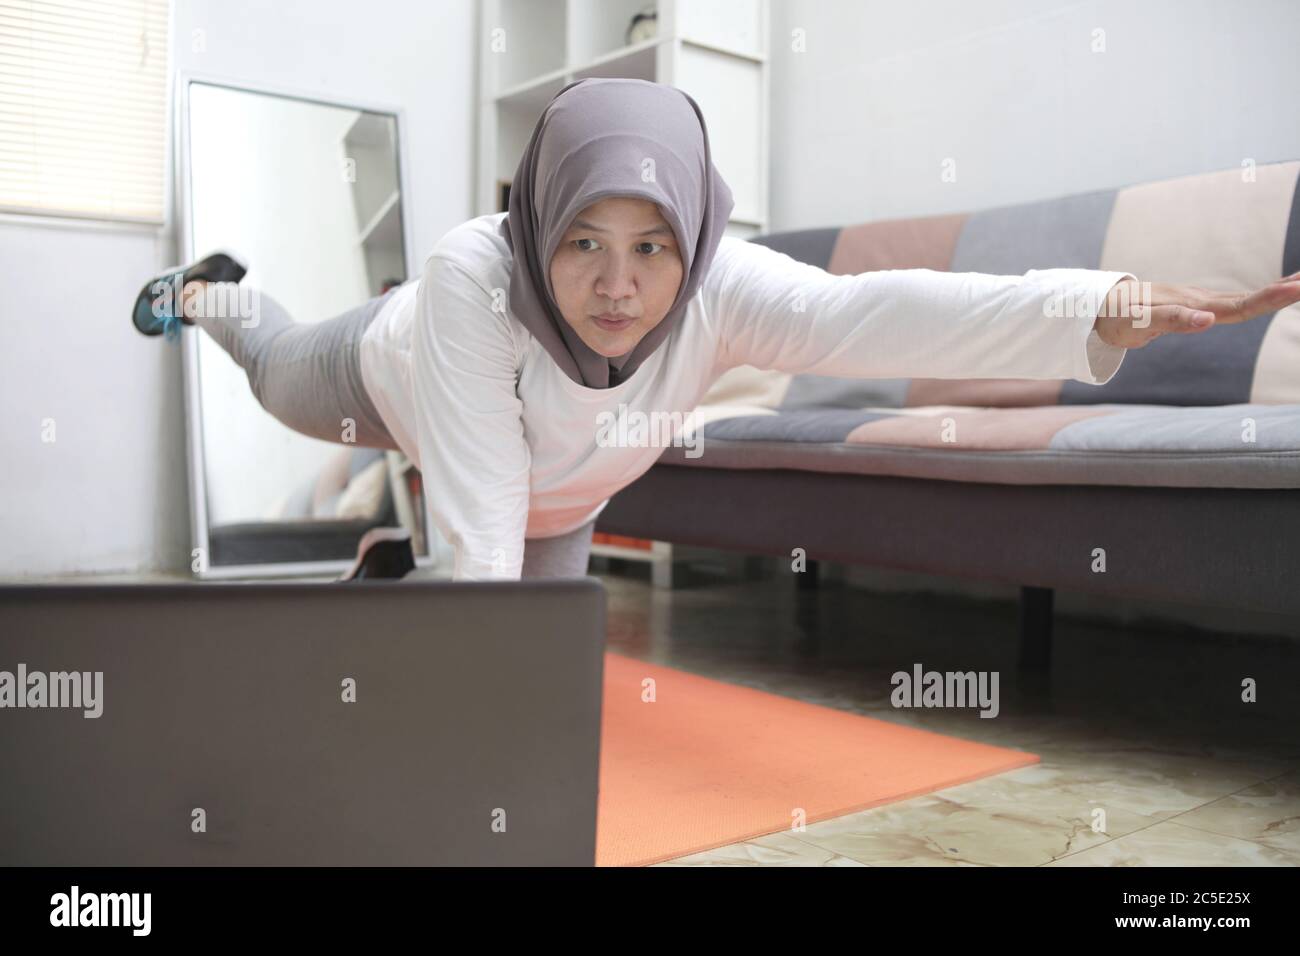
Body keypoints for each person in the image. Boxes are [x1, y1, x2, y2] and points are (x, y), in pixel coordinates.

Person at [131, 78, 1300, 582]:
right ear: (535, 218)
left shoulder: (721, 281)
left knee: (536, 674)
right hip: (382, 377)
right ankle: (212, 290)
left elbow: (869, 312)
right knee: (273, 367)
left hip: (563, 487)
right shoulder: (467, 279)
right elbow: (479, 530)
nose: (618, 284)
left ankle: (401, 575)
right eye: (584, 238)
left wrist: (1093, 302)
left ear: (693, 234)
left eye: (653, 245)